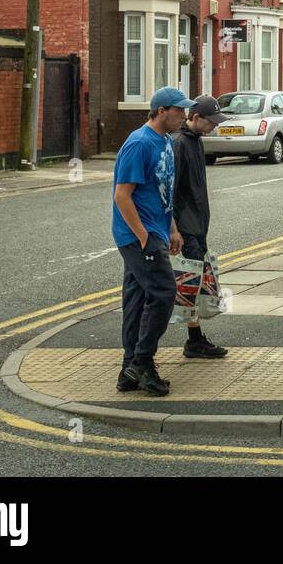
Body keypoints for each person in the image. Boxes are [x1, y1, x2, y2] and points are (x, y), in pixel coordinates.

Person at [111, 86, 195, 396]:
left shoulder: (165, 142)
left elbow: (160, 194)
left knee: (135, 300)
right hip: (137, 237)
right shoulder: (139, 143)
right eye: (179, 111)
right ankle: (143, 361)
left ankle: (128, 370)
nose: (183, 116)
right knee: (164, 293)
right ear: (161, 111)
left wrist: (171, 227)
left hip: (156, 231)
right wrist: (144, 237)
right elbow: (123, 195)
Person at [172, 95, 230, 358]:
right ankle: (193, 341)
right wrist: (176, 229)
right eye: (211, 122)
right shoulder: (180, 145)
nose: (214, 127)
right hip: (186, 227)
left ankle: (194, 339)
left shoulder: (194, 142)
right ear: (195, 118)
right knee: (190, 285)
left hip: (197, 225)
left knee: (195, 284)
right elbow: (172, 192)